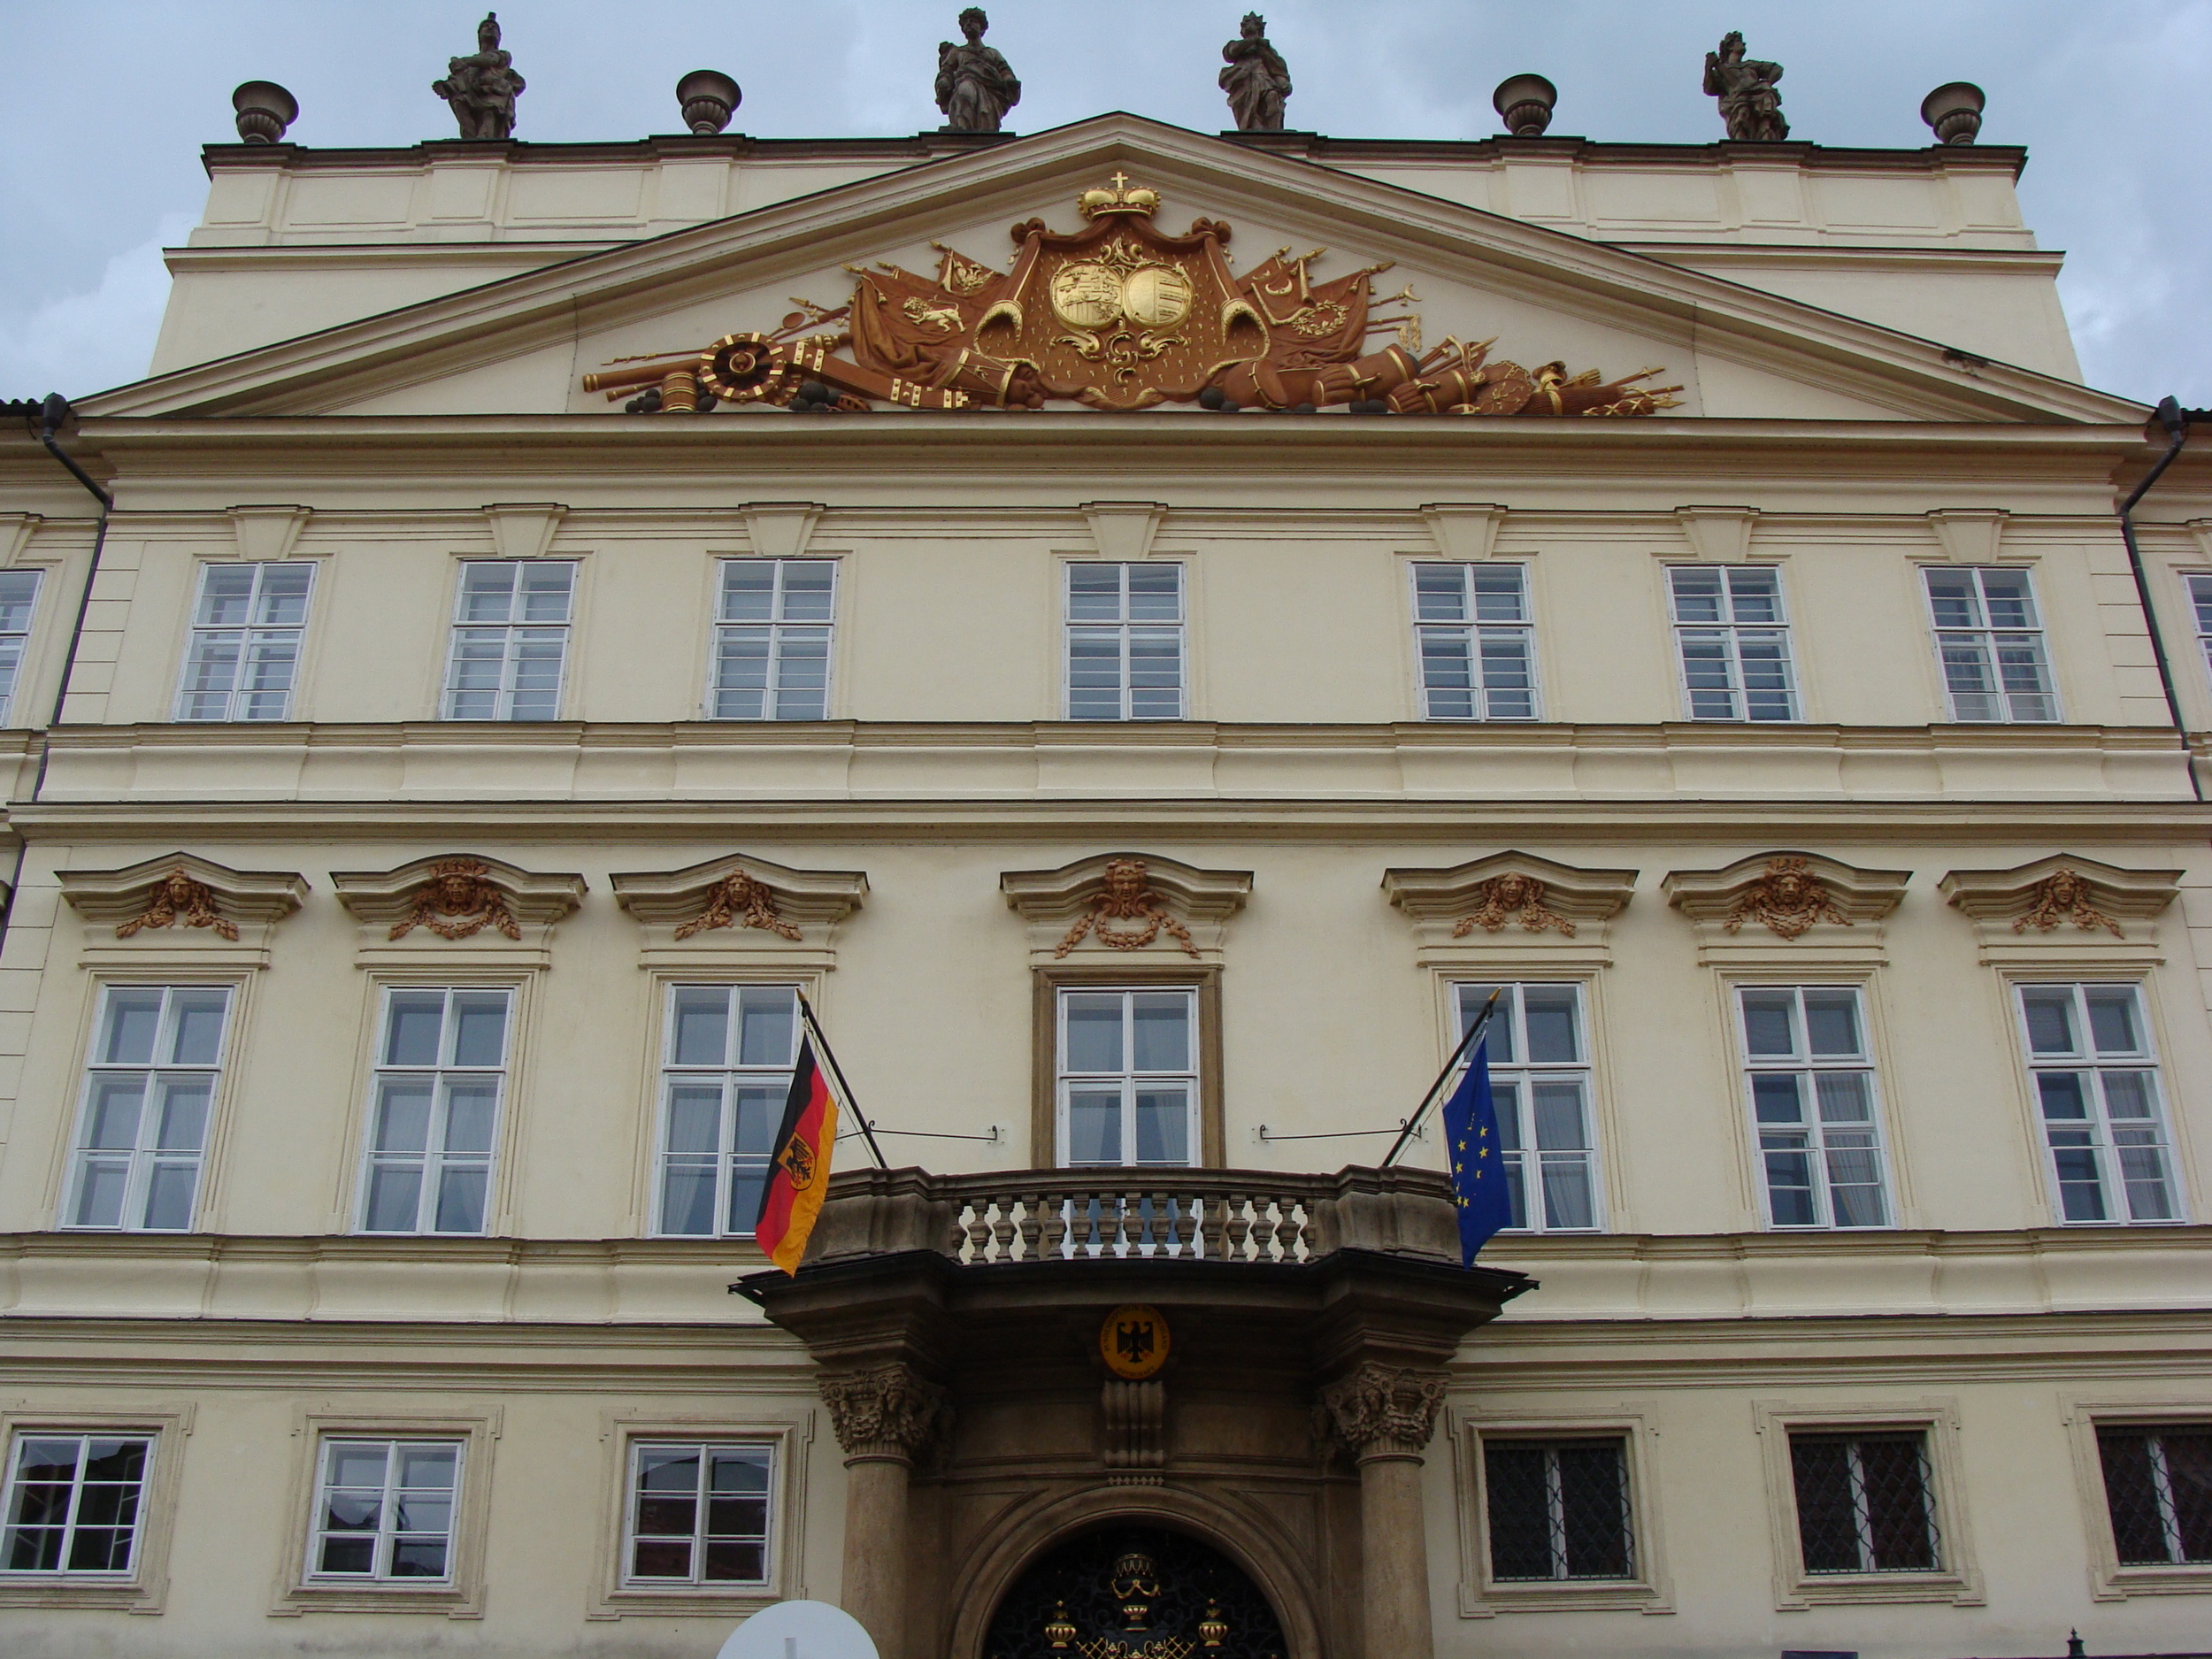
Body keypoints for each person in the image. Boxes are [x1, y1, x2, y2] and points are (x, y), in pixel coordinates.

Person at [433, 12, 526, 141]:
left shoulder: (503, 55)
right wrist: (446, 86)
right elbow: (460, 79)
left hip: (496, 92)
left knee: (490, 111)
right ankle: (470, 138)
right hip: (473, 93)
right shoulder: (470, 67)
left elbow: (491, 60)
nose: (490, 28)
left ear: (499, 36)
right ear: (479, 35)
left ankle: (486, 138)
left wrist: (464, 62)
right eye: (486, 26)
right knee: (459, 100)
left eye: (494, 27)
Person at [934, 8, 1020, 134]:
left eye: (973, 21)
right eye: (966, 22)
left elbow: (1004, 70)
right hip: (966, 80)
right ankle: (962, 128)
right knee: (965, 92)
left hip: (990, 89)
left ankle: (983, 135)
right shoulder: (957, 52)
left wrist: (1009, 80)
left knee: (986, 114)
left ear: (982, 28)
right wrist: (944, 81)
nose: (969, 24)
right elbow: (946, 71)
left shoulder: (992, 53)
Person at [1701, 31, 1787, 142]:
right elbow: (1709, 89)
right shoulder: (1720, 71)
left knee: (1767, 95)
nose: (1744, 44)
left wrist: (1768, 82)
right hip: (1737, 98)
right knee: (1742, 109)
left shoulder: (1750, 65)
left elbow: (1776, 69)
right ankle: (1740, 140)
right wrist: (1708, 68)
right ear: (1730, 46)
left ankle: (1765, 132)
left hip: (1758, 92)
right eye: (1739, 41)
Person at [1219, 12, 1292, 133]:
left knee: (1272, 97)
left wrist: (1263, 51)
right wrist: (1253, 41)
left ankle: (1274, 132)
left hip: (1263, 78)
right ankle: (1255, 127)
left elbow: (1278, 66)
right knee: (1250, 107)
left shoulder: (1266, 49)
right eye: (1244, 25)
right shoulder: (1236, 44)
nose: (1246, 27)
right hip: (1244, 80)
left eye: (1250, 23)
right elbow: (1231, 52)